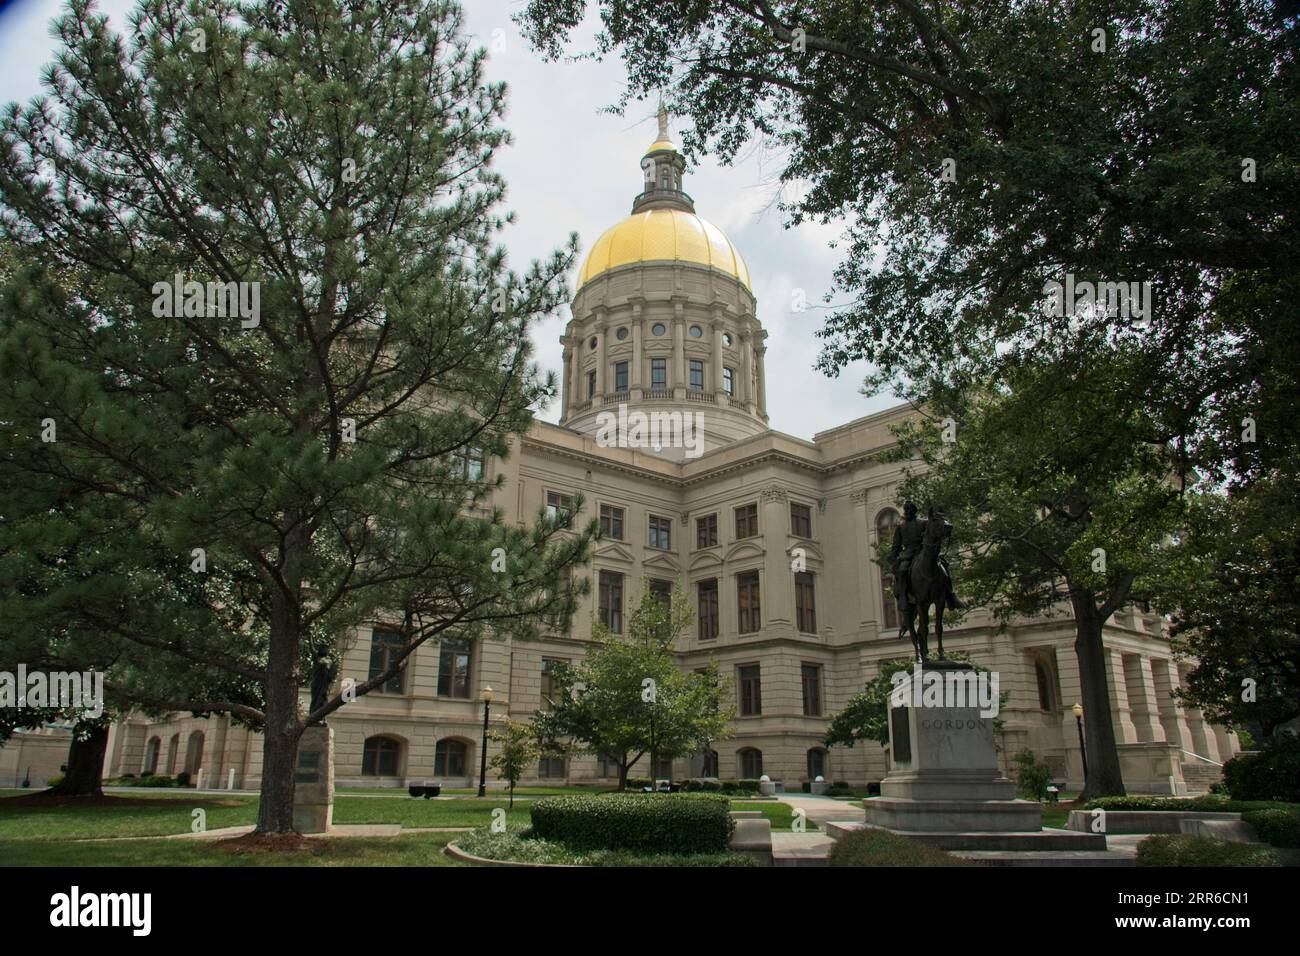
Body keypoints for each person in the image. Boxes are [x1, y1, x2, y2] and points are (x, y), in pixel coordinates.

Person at [890, 501, 965, 624]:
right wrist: (895, 559)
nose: (908, 512)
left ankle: (951, 596)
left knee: (944, 565)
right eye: (906, 510)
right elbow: (896, 546)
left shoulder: (923, 523)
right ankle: (903, 597)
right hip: (908, 555)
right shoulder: (900, 527)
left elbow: (933, 532)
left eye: (910, 509)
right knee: (903, 570)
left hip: (922, 552)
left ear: (914, 511)